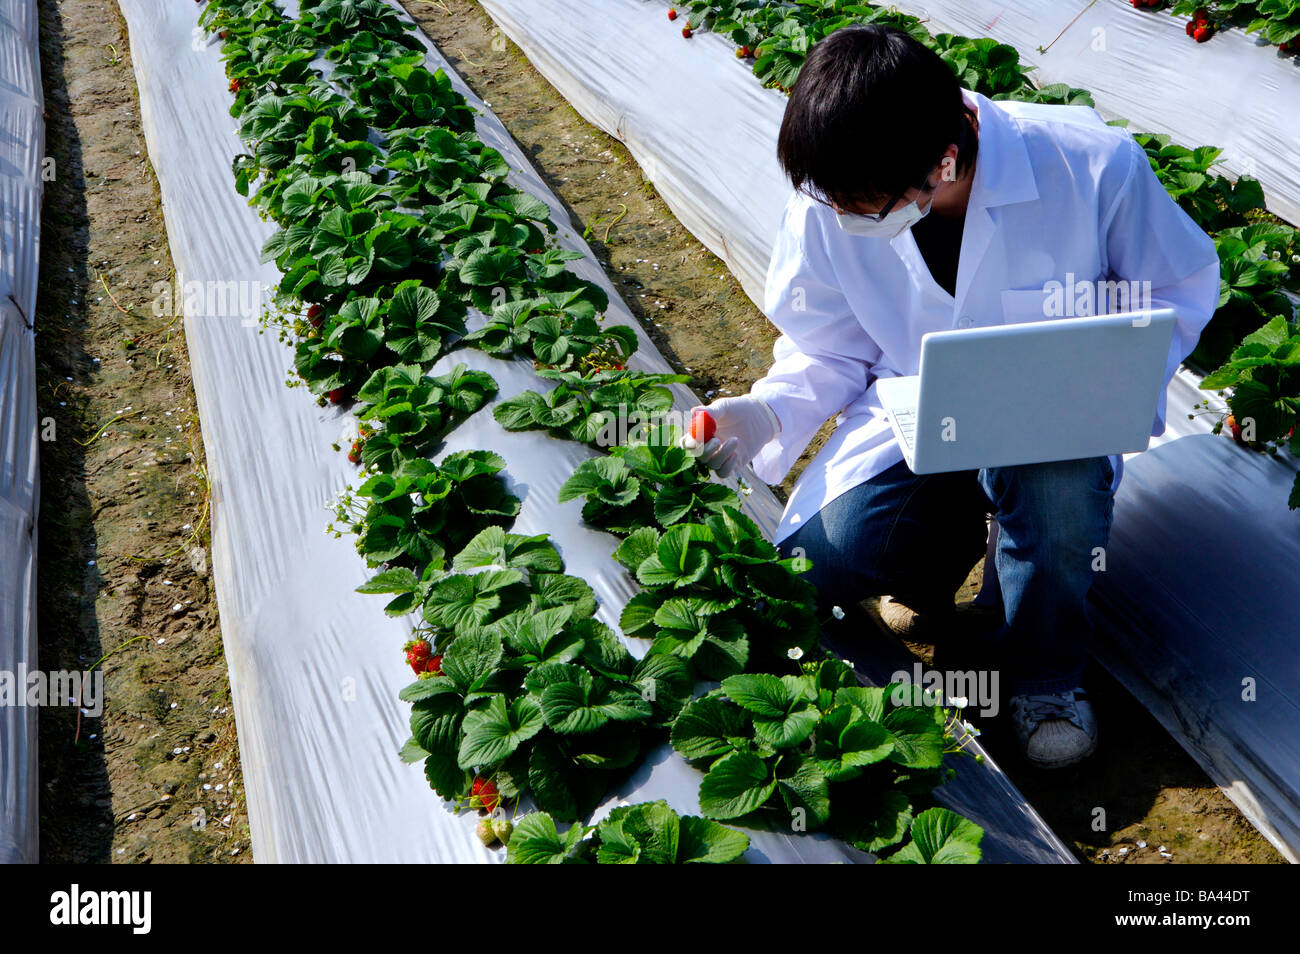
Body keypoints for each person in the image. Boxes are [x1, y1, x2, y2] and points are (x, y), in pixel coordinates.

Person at [682, 24, 1220, 768]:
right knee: (813, 572)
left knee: (1053, 485)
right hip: (916, 416)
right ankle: (934, 573)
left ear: (944, 156)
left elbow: (1178, 285)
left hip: (1053, 424)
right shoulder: (834, 198)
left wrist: (1114, 374)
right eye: (837, 202)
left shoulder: (1091, 167)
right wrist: (765, 412)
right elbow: (829, 344)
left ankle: (1045, 674)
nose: (850, 219)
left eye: (870, 207)